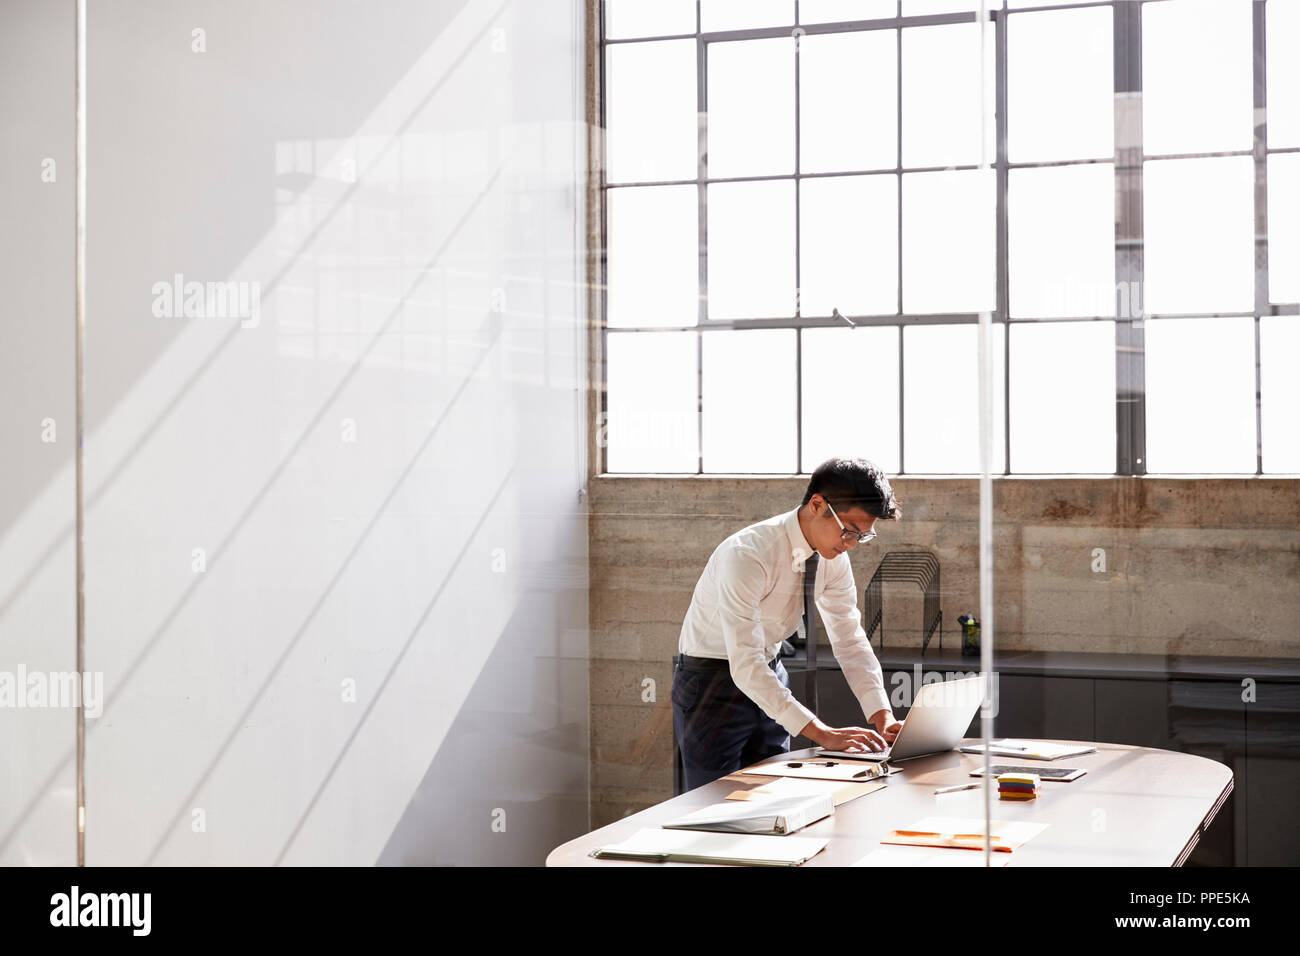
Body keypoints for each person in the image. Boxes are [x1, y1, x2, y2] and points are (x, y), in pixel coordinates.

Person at [672, 457, 904, 791]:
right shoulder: (748, 554)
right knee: (711, 806)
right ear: (817, 504)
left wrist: (882, 715)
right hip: (711, 683)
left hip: (770, 671)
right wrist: (822, 734)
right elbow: (745, 663)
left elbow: (850, 639)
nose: (851, 544)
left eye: (862, 537)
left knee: (773, 795)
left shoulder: (833, 557)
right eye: (849, 531)